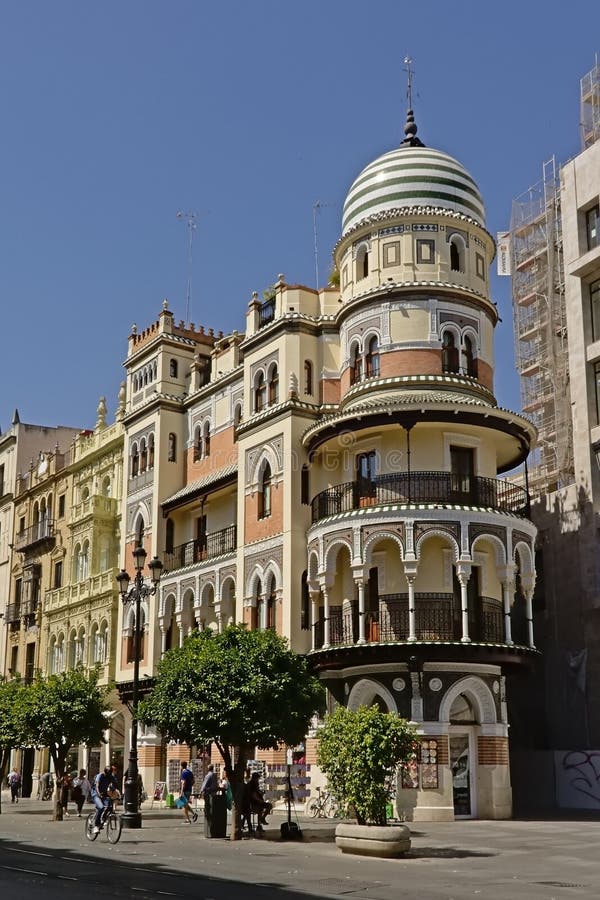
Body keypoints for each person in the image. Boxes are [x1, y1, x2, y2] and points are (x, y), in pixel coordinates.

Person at [91, 765, 119, 834]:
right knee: (101, 807)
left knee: (109, 806)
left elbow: (115, 784)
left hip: (104, 793)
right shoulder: (100, 776)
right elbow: (97, 785)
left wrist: (118, 792)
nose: (109, 775)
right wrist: (99, 794)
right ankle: (96, 826)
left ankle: (103, 818)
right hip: (96, 793)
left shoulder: (110, 777)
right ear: (105, 772)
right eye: (108, 773)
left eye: (110, 773)